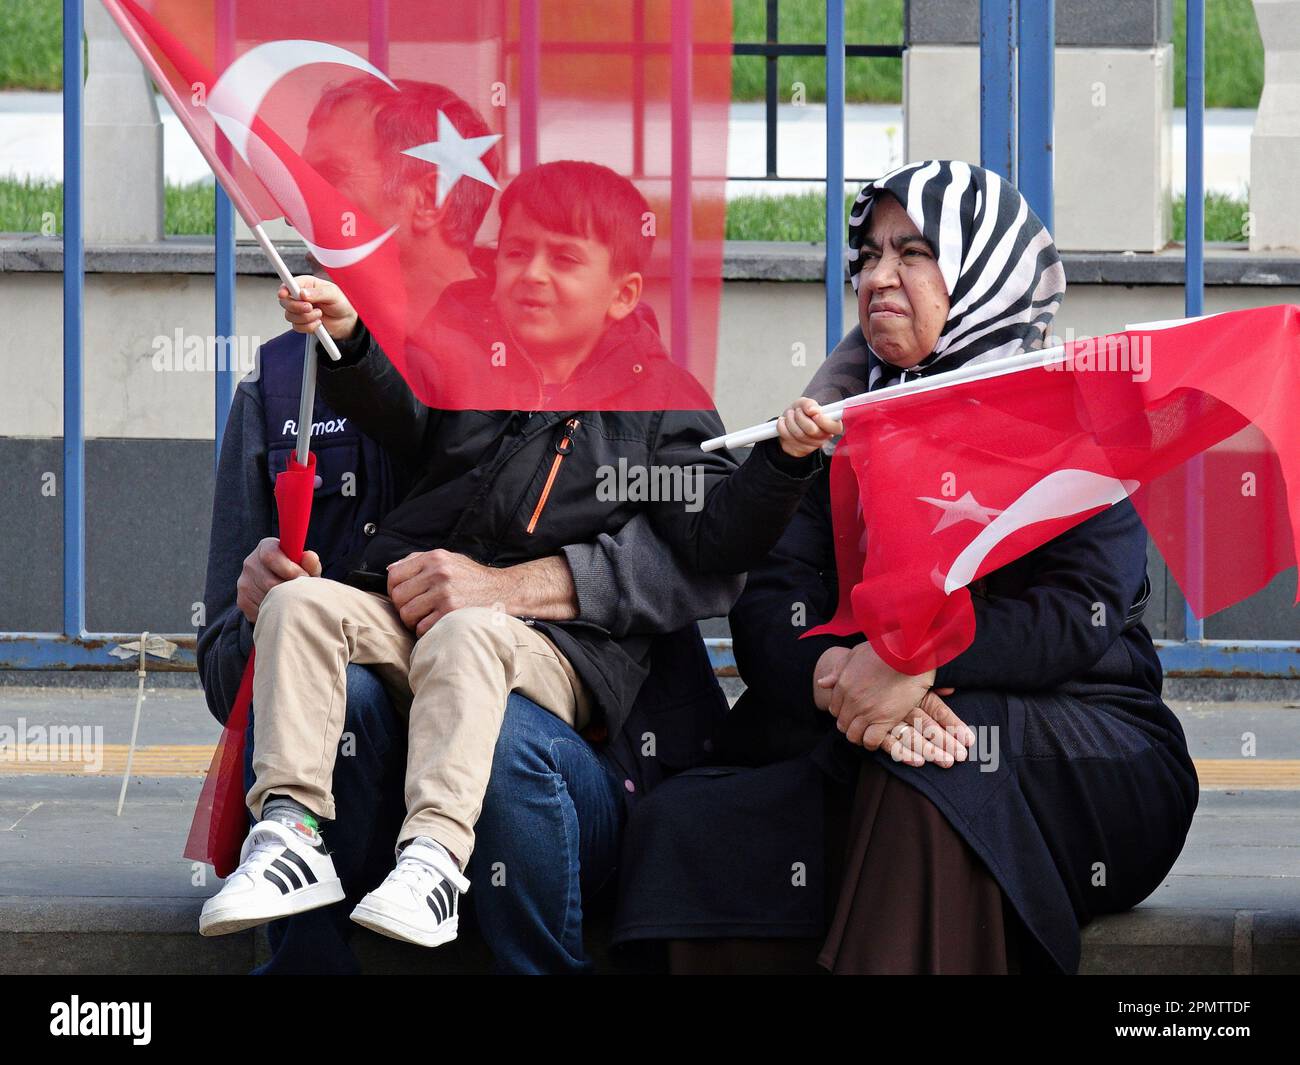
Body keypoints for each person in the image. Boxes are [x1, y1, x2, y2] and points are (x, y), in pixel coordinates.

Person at [198, 159, 839, 950]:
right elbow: (399, 406)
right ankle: (289, 834)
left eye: (564, 259)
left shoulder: (657, 400)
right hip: (419, 627)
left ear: (624, 293)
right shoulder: (469, 363)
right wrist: (350, 339)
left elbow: (719, 536)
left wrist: (782, 463)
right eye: (516, 253)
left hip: (553, 659)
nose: (531, 276)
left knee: (474, 627)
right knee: (299, 605)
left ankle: (434, 855)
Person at [612, 159, 1199, 975]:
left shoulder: (1069, 414)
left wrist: (910, 664)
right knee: (689, 825)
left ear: (985, 272)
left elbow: (1077, 613)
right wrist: (838, 677)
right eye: (868, 256)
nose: (878, 277)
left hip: (1077, 737)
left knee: (934, 770)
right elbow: (769, 604)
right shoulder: (839, 421)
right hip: (858, 719)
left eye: (912, 253)